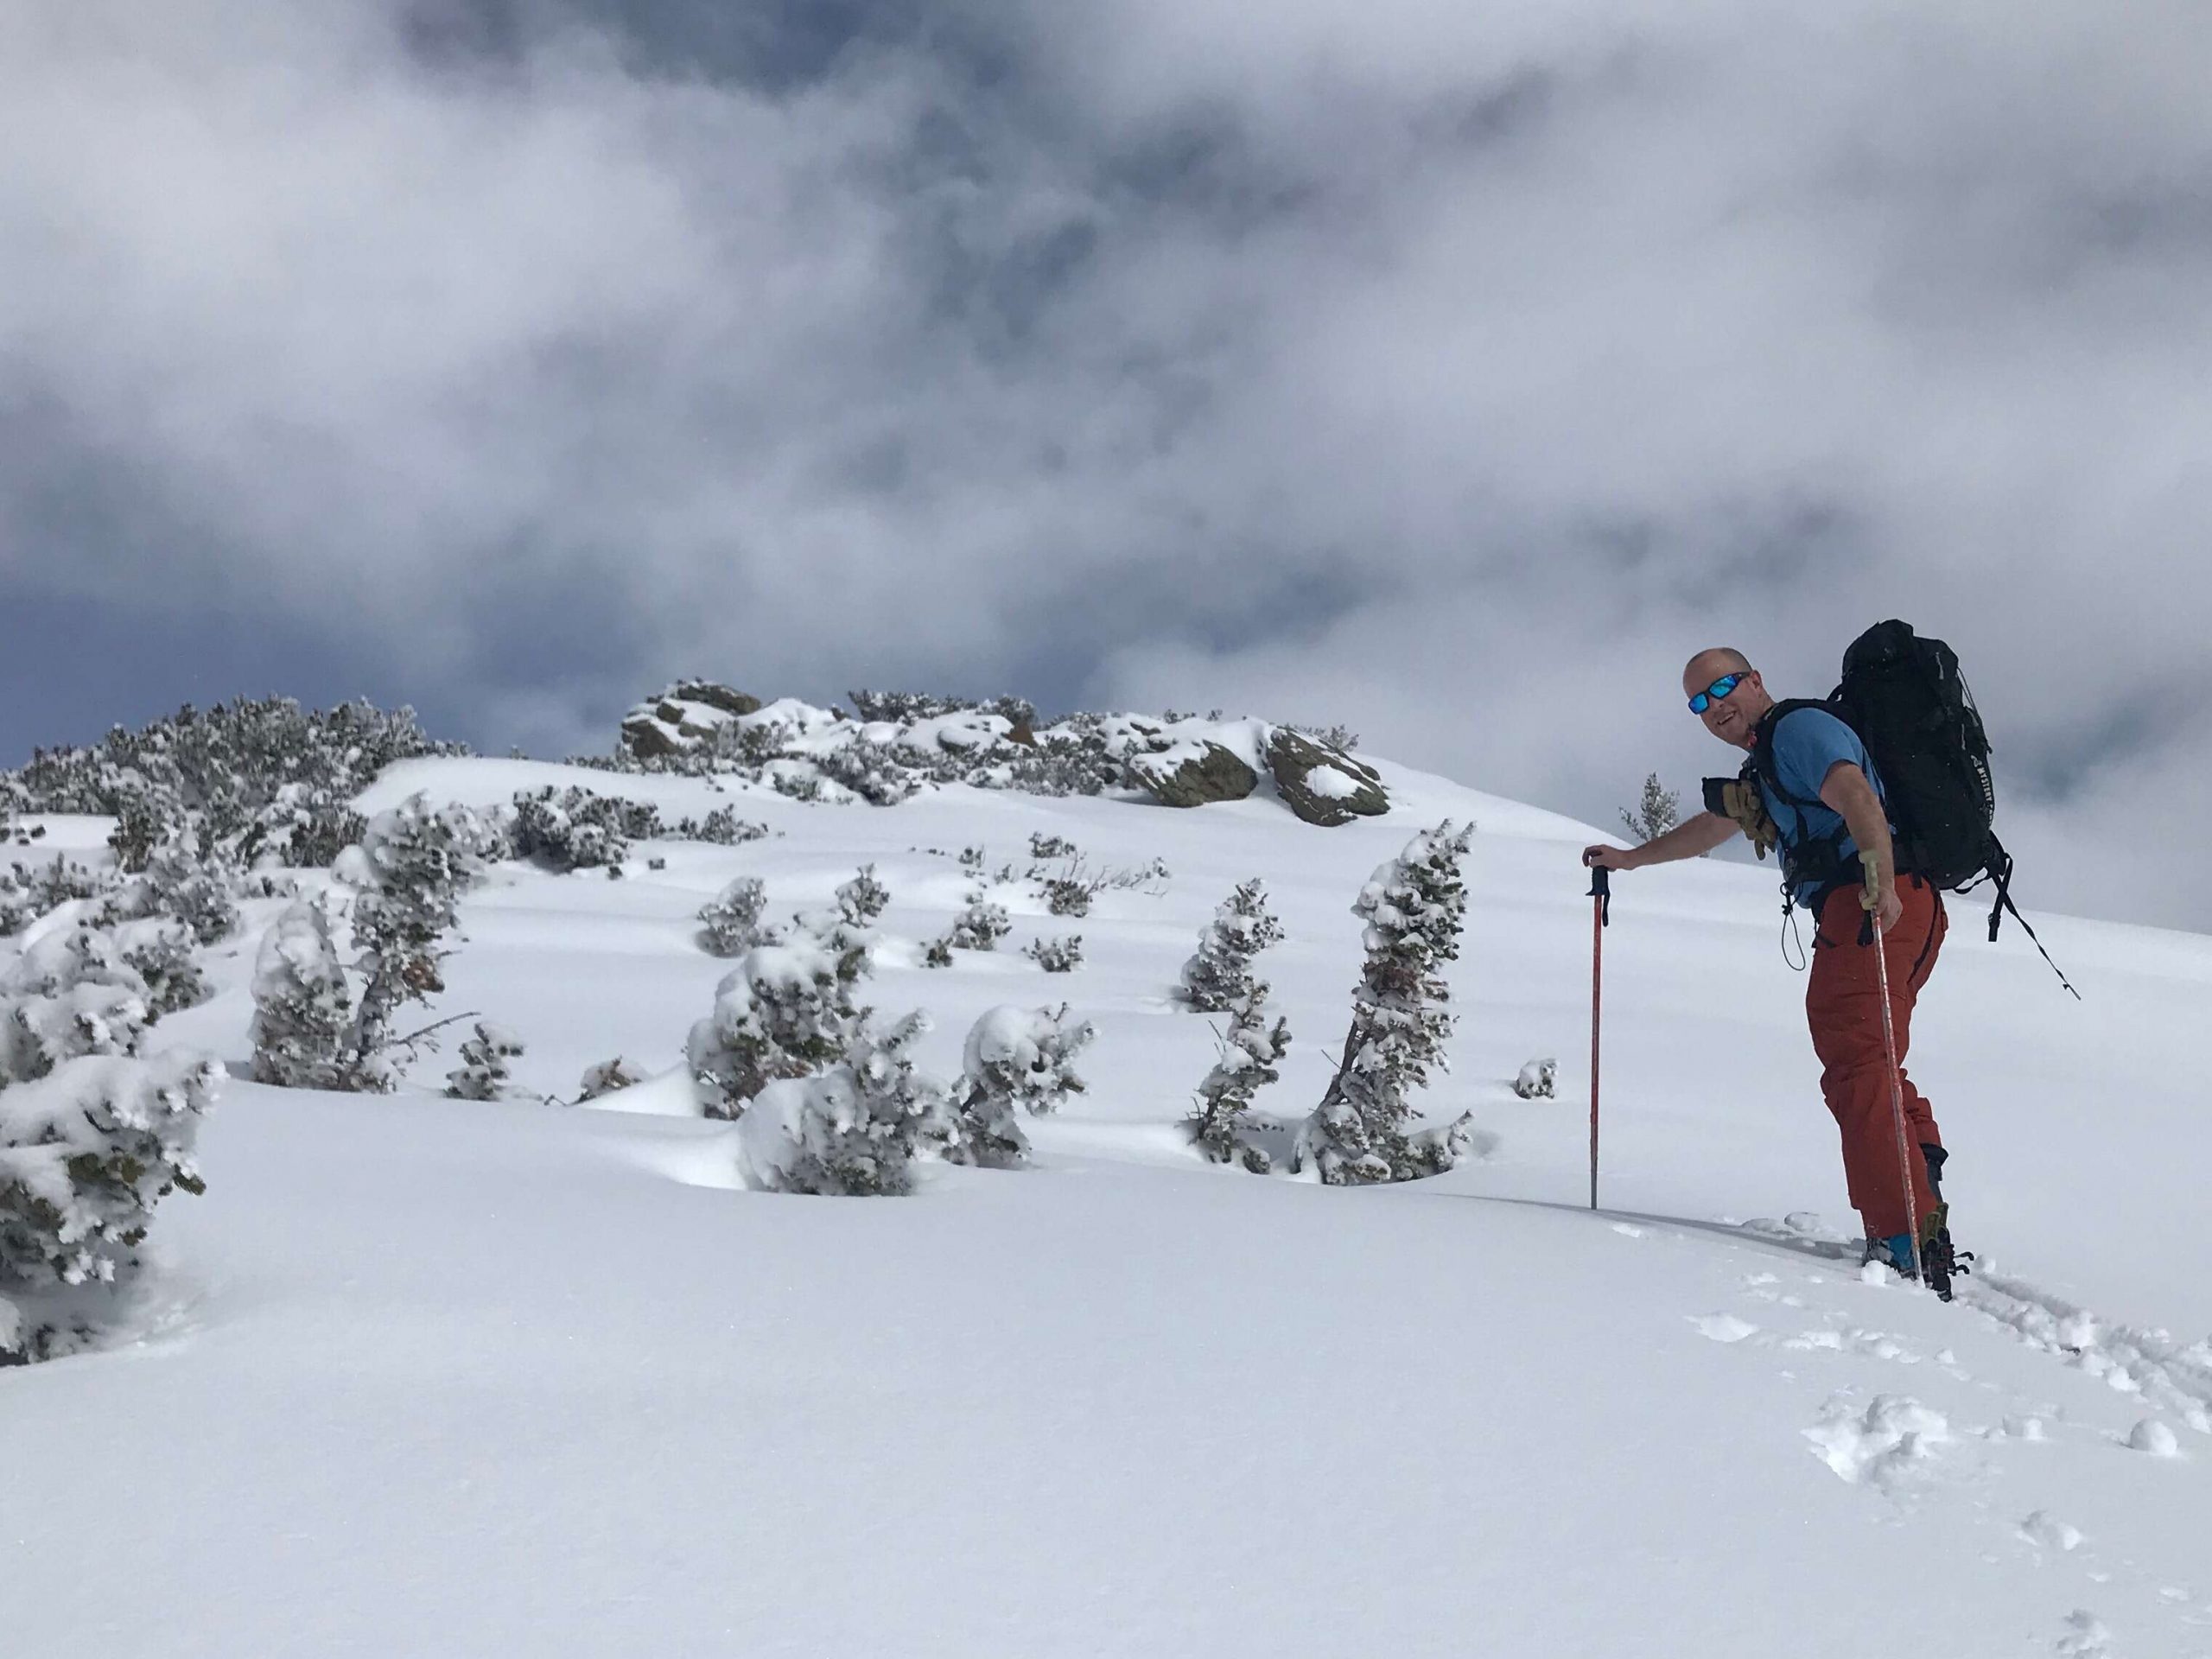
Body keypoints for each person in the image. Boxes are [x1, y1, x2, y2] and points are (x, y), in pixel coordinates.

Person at [1581, 648, 1954, 1284]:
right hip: (1886, 902)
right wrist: (1632, 859)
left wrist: (1878, 878)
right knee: (1871, 1057)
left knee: (1855, 1059)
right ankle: (1920, 1179)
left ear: (1755, 681)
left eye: (1722, 687)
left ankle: (1903, 1236)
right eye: (1699, 703)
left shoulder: (1799, 732)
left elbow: (1856, 796)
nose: (1714, 707)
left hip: (1871, 901)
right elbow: (1709, 828)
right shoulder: (1766, 766)